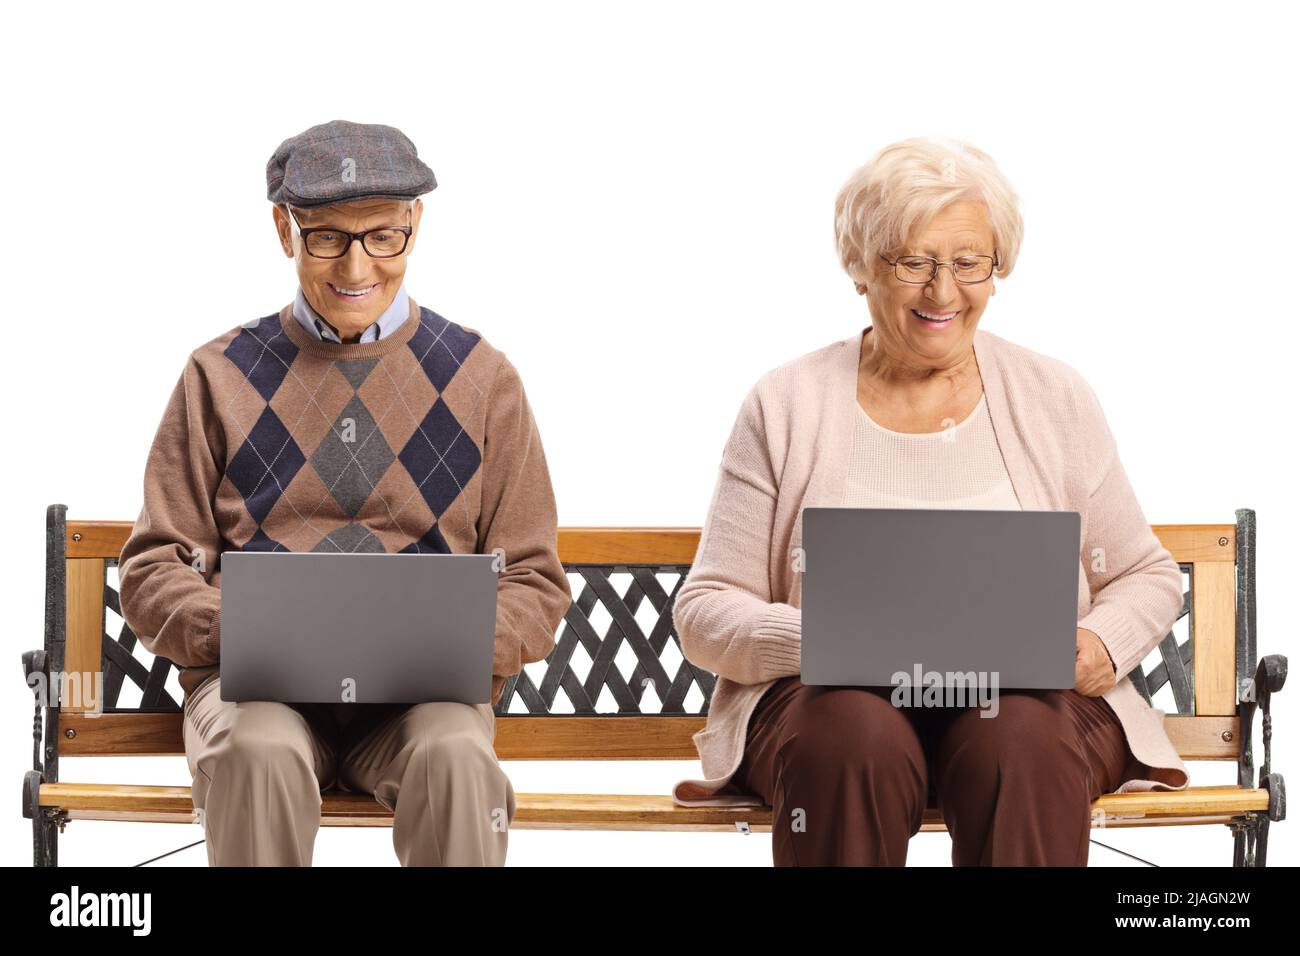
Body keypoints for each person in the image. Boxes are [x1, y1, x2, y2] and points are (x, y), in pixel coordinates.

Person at [670, 136, 1190, 866]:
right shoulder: (785, 404)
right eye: (912, 262)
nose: (943, 293)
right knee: (850, 739)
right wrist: (820, 640)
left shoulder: (1054, 397)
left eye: (968, 263)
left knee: (1020, 741)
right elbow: (705, 609)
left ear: (996, 266)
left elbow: (1146, 574)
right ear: (860, 266)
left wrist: (1102, 642)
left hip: (1028, 708)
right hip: (832, 708)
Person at [118, 119, 571, 866]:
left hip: (419, 704)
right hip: (257, 697)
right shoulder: (217, 375)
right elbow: (152, 568)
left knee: (458, 760)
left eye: (384, 236)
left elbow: (534, 577)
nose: (357, 264)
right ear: (283, 230)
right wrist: (248, 631)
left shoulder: (483, 379)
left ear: (415, 227)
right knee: (257, 755)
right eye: (326, 237)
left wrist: (451, 644)